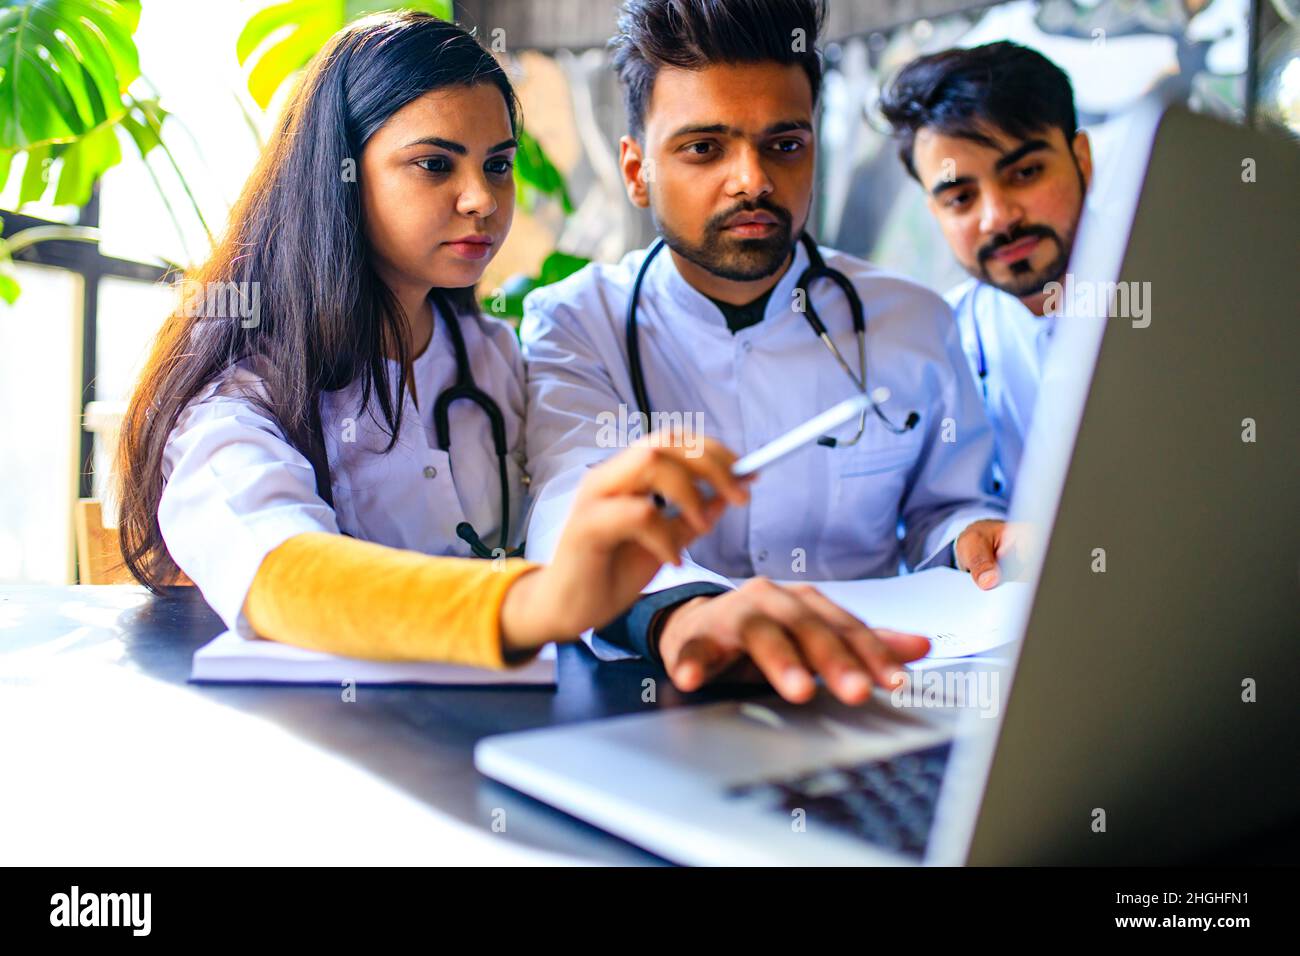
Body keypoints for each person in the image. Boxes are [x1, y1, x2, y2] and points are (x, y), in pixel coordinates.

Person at [114, 11, 751, 667]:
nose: (482, 198)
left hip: (484, 727)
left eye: (498, 164)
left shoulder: (492, 359)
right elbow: (278, 573)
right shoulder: (245, 383)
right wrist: (536, 602)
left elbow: (564, 491)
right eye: (434, 164)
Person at [522, 0, 1005, 702]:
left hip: (882, 688)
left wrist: (972, 535)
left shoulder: (914, 321)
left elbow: (943, 508)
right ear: (636, 171)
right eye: (703, 148)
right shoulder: (574, 325)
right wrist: (689, 614)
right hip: (669, 700)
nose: (752, 179)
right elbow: (571, 514)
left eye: (784, 144)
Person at [879, 42, 1092, 500]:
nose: (998, 217)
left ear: (1082, 160)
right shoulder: (940, 341)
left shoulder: (1172, 298)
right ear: (934, 211)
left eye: (1026, 172)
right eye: (960, 198)